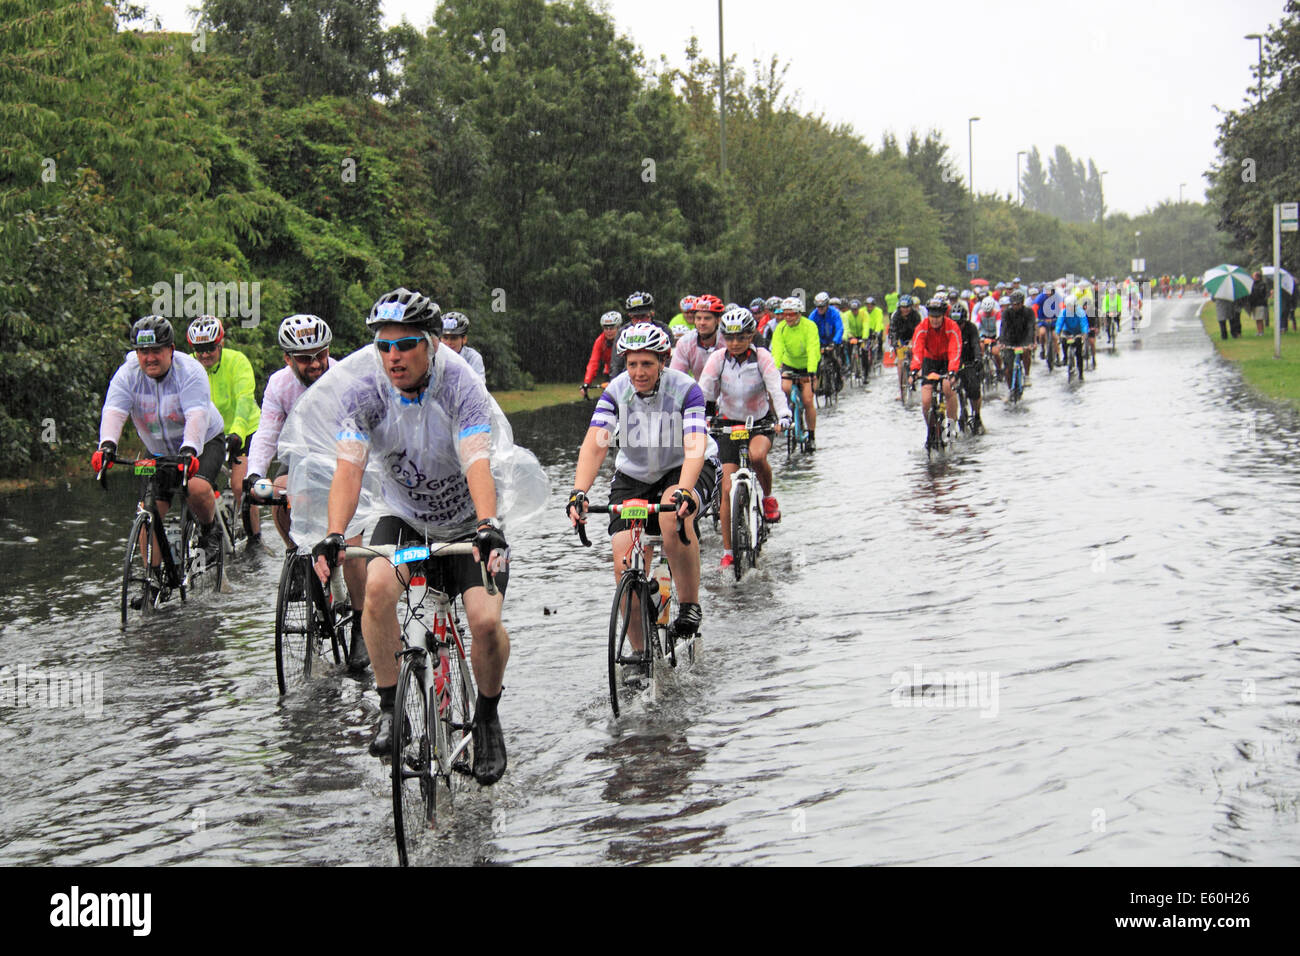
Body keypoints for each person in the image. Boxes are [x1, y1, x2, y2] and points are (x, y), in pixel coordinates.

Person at [309, 288, 517, 784]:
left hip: (468, 519)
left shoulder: (460, 385)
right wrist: (334, 534)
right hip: (405, 517)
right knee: (377, 589)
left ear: (431, 343)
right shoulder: (364, 390)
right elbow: (349, 467)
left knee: (484, 622)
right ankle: (389, 706)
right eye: (383, 347)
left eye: (404, 345)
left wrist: (487, 526)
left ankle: (487, 719)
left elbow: (476, 459)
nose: (392, 357)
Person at [567, 323, 718, 644]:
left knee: (671, 516)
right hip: (634, 476)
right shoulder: (616, 391)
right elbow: (596, 444)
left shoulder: (686, 388)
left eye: (647, 363)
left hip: (685, 467)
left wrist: (684, 491)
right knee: (624, 567)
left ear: (663, 361)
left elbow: (694, 445)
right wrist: (579, 491)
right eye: (632, 364)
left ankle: (690, 605)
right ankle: (639, 656)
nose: (639, 372)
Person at [94, 316, 227, 599]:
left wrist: (190, 450)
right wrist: (106, 446)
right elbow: (114, 410)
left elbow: (196, 414)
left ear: (171, 349)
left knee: (196, 487)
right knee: (147, 509)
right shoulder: (127, 373)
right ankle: (153, 579)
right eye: (144, 352)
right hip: (157, 452)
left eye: (157, 351)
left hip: (204, 440)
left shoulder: (189, 371)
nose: (150, 358)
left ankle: (209, 528)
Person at [699, 307, 790, 568]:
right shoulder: (718, 358)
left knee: (757, 455)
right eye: (730, 338)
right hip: (728, 423)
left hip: (759, 422)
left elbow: (775, 387)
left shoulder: (762, 357)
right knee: (726, 489)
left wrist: (783, 414)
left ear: (751, 336)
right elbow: (703, 389)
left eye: (741, 338)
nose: (735, 343)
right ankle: (728, 551)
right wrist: (697, 417)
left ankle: (768, 497)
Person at [187, 315, 261, 543]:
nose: (205, 354)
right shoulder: (187, 365)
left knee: (241, 486)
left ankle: (254, 540)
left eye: (210, 348)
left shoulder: (237, 361)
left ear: (220, 344)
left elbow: (244, 400)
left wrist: (237, 432)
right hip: (207, 433)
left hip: (243, 429)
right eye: (200, 350)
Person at [769, 296, 820, 451]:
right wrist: (774, 369)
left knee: (807, 399)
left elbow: (813, 348)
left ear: (799, 314)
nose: (788, 317)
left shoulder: (809, 326)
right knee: (784, 387)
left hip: (807, 366)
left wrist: (811, 371)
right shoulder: (781, 328)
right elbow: (777, 349)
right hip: (790, 364)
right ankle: (790, 413)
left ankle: (811, 436)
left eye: (792, 314)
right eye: (785, 314)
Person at [909, 297, 961, 442]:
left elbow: (954, 350)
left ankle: (950, 428)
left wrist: (952, 371)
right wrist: (914, 370)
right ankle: (931, 430)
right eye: (932, 316)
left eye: (938, 317)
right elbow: (917, 349)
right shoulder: (922, 327)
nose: (935, 320)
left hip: (947, 361)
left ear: (943, 315)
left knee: (947, 388)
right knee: (926, 402)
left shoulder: (952, 326)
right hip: (929, 361)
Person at [671, 293, 724, 380]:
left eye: (707, 318)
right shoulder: (685, 343)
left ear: (718, 320)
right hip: (697, 390)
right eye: (698, 318)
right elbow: (676, 377)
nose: (702, 323)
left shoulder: (727, 341)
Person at [998, 289, 1037, 388]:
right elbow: (1003, 327)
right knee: (1007, 370)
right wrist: (1002, 342)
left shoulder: (1029, 312)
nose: (1015, 306)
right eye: (1013, 304)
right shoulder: (1006, 313)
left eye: (1018, 304)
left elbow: (1030, 328)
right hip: (1010, 340)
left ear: (1022, 303)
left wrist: (1030, 343)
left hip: (1024, 339)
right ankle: (1010, 389)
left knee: (1026, 353)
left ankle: (1027, 375)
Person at [889, 294, 923, 401]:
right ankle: (901, 390)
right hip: (900, 338)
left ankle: (914, 374)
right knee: (900, 363)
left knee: (914, 356)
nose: (905, 310)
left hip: (913, 337)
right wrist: (895, 344)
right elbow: (893, 331)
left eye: (907, 307)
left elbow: (919, 331)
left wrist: (913, 342)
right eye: (903, 308)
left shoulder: (916, 315)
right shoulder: (896, 316)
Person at [582, 310, 622, 397]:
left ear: (618, 327)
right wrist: (587, 382)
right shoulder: (600, 341)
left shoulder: (624, 338)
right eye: (605, 328)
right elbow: (593, 361)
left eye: (611, 328)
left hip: (625, 370)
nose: (608, 331)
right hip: (609, 371)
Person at [809, 292, 844, 389]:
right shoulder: (813, 315)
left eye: (822, 306)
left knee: (835, 358)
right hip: (819, 340)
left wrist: (835, 341)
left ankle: (838, 379)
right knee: (816, 362)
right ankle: (819, 383)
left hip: (832, 340)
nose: (820, 309)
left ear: (827, 305)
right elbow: (810, 330)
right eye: (818, 307)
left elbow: (839, 328)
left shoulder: (834, 313)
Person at [439, 311, 486, 380]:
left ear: (464, 339)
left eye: (454, 338)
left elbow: (478, 387)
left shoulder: (473, 358)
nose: (448, 342)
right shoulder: (434, 357)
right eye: (445, 338)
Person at [1248, 271, 1270, 336]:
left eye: (1253, 276)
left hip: (1260, 304)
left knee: (1259, 318)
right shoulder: (1253, 284)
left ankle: (1261, 331)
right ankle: (1258, 331)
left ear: (1257, 277)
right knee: (1257, 318)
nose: (1252, 277)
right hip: (1254, 304)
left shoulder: (1261, 284)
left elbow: (1260, 294)